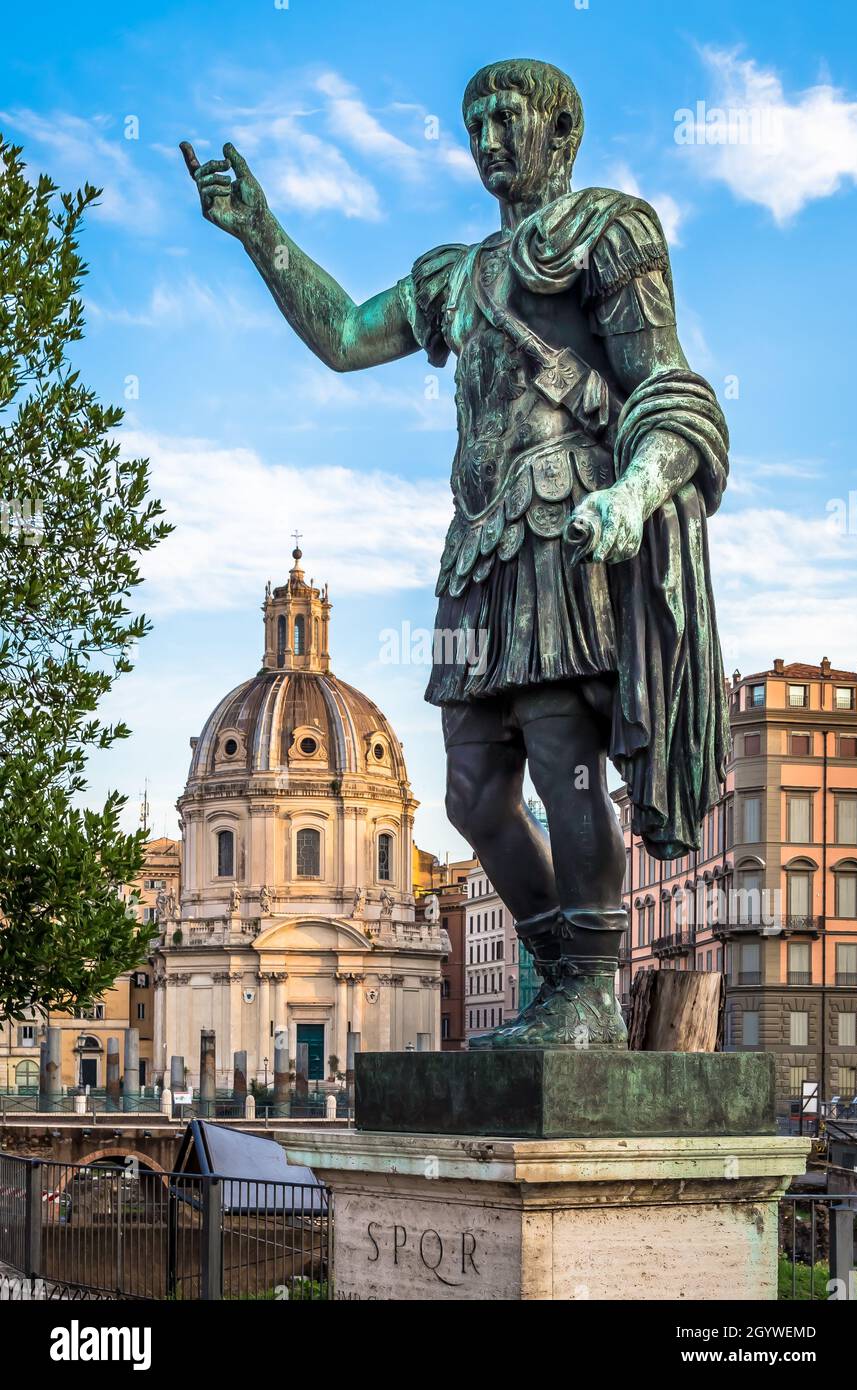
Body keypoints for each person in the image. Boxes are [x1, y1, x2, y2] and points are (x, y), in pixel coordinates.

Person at [180, 58, 729, 1048]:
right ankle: (562, 972)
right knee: (473, 790)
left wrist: (633, 492)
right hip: (477, 546)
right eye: (471, 122)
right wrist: (260, 235)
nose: (484, 139)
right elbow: (347, 334)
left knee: (562, 758)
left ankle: (589, 994)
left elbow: (666, 386)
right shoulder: (456, 276)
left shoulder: (609, 232)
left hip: (563, 525)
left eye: (503, 118)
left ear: (560, 130)